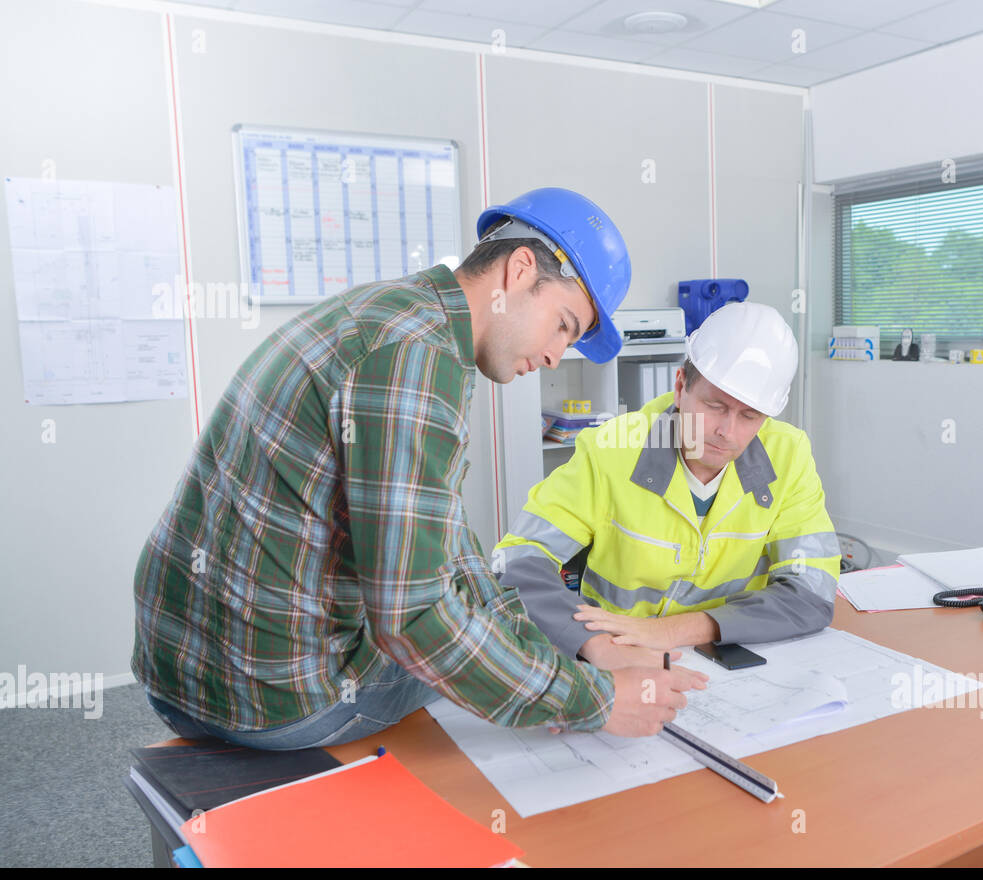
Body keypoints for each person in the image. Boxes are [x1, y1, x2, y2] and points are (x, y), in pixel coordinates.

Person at [132, 187, 705, 751]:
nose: (558, 356)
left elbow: (446, 544)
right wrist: (594, 698)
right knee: (463, 663)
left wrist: (577, 648)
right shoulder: (414, 361)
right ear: (522, 270)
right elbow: (414, 618)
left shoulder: (404, 316)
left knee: (494, 637)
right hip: (265, 695)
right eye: (563, 324)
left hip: (183, 659)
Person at [493, 301, 840, 668]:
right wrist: (594, 645)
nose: (727, 432)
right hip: (620, 659)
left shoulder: (790, 455)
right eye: (715, 406)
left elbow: (812, 591)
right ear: (680, 387)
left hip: (733, 662)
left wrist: (676, 630)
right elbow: (515, 562)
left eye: (750, 415)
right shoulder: (610, 450)